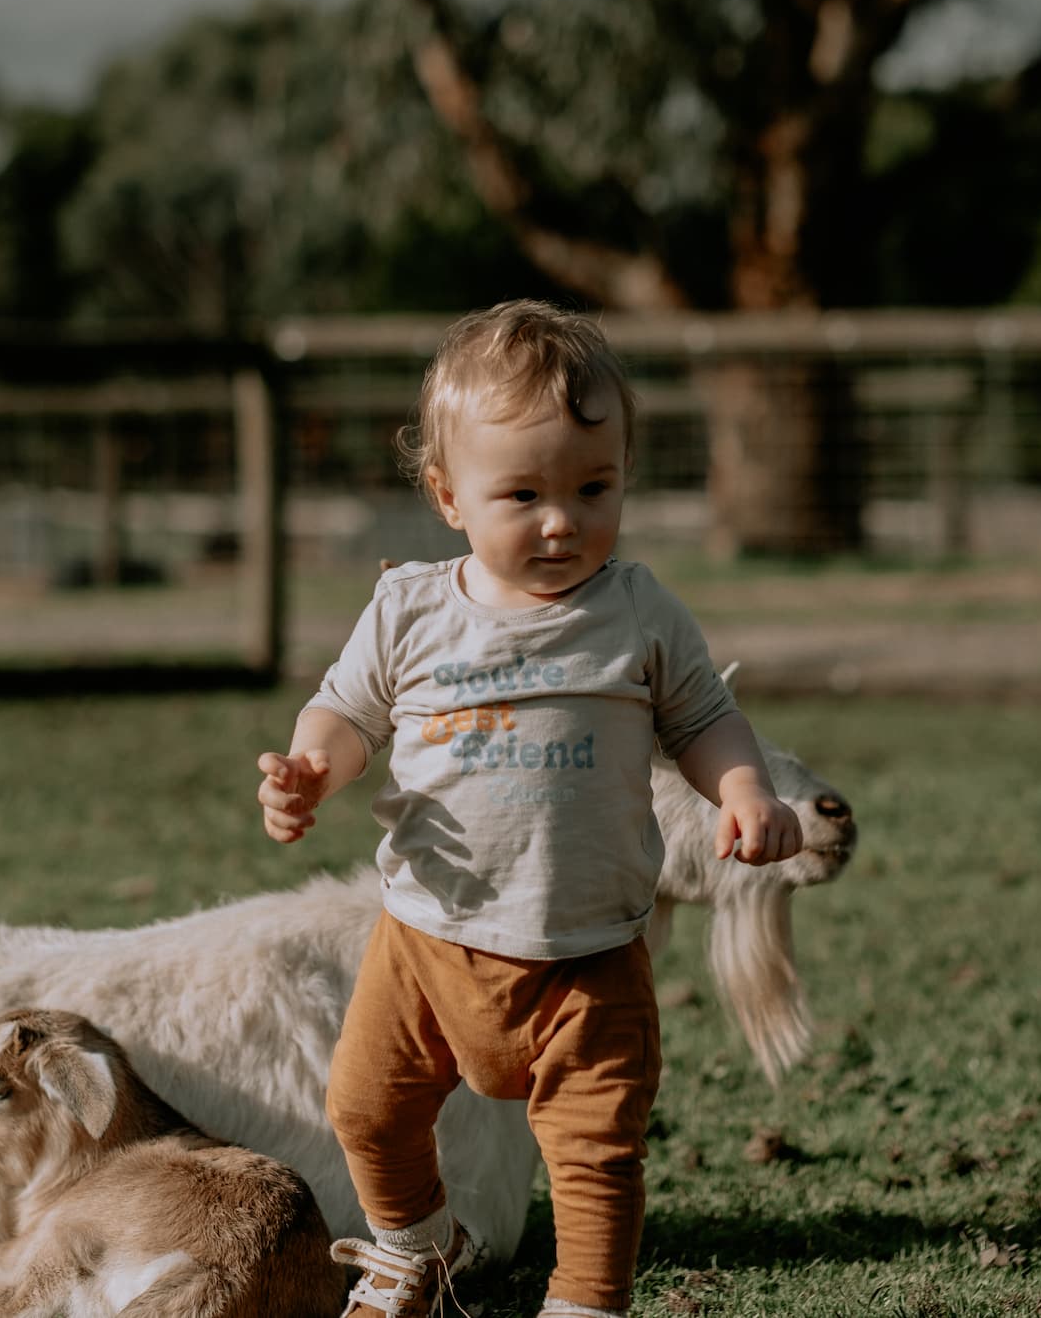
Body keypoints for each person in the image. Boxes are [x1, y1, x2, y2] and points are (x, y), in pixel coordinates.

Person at [255, 300, 804, 1318]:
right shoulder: (410, 609)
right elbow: (344, 711)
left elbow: (704, 719)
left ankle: (585, 1302)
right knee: (366, 1109)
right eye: (523, 493)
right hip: (425, 940)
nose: (563, 519)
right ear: (447, 495)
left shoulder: (637, 611)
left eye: (594, 487)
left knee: (594, 1152)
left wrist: (742, 787)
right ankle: (415, 1249)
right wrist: (307, 770)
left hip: (586, 953)